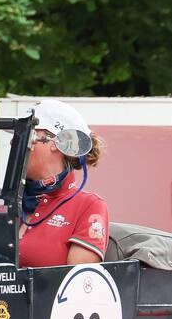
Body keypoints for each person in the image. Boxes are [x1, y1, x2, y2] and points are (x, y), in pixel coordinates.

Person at [18, 99, 108, 267]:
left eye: (27, 135)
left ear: (58, 143)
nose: (14, 143)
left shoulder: (89, 205)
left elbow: (78, 284)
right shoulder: (7, 200)